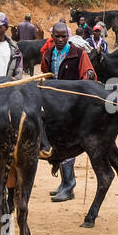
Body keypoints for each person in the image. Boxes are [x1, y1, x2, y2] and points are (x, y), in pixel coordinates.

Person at [42, 21, 98, 201]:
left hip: (73, 107)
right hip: (53, 106)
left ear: (68, 36)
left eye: (63, 36)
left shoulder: (78, 54)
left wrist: (88, 76)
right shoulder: (48, 55)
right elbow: (44, 76)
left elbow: (89, 75)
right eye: (56, 36)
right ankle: (64, 183)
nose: (60, 39)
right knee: (57, 144)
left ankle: (69, 185)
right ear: (52, 36)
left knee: (67, 144)